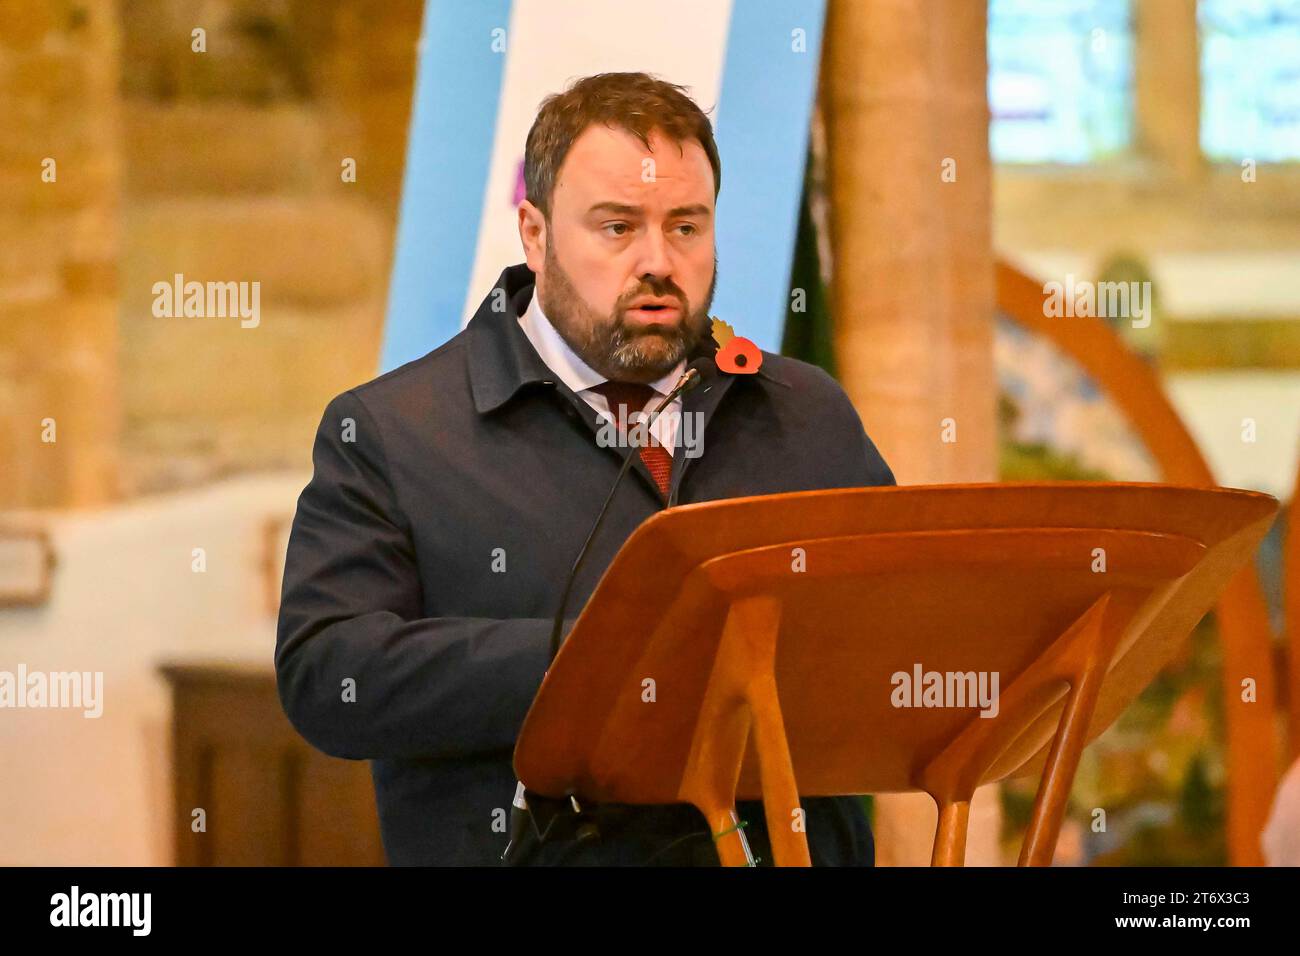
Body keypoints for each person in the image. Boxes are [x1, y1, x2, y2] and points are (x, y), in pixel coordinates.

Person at [275, 71, 895, 866]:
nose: (658, 262)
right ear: (534, 235)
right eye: (617, 227)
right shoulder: (393, 433)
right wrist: (602, 660)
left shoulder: (803, 410)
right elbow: (330, 675)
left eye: (686, 227)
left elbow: (890, 634)